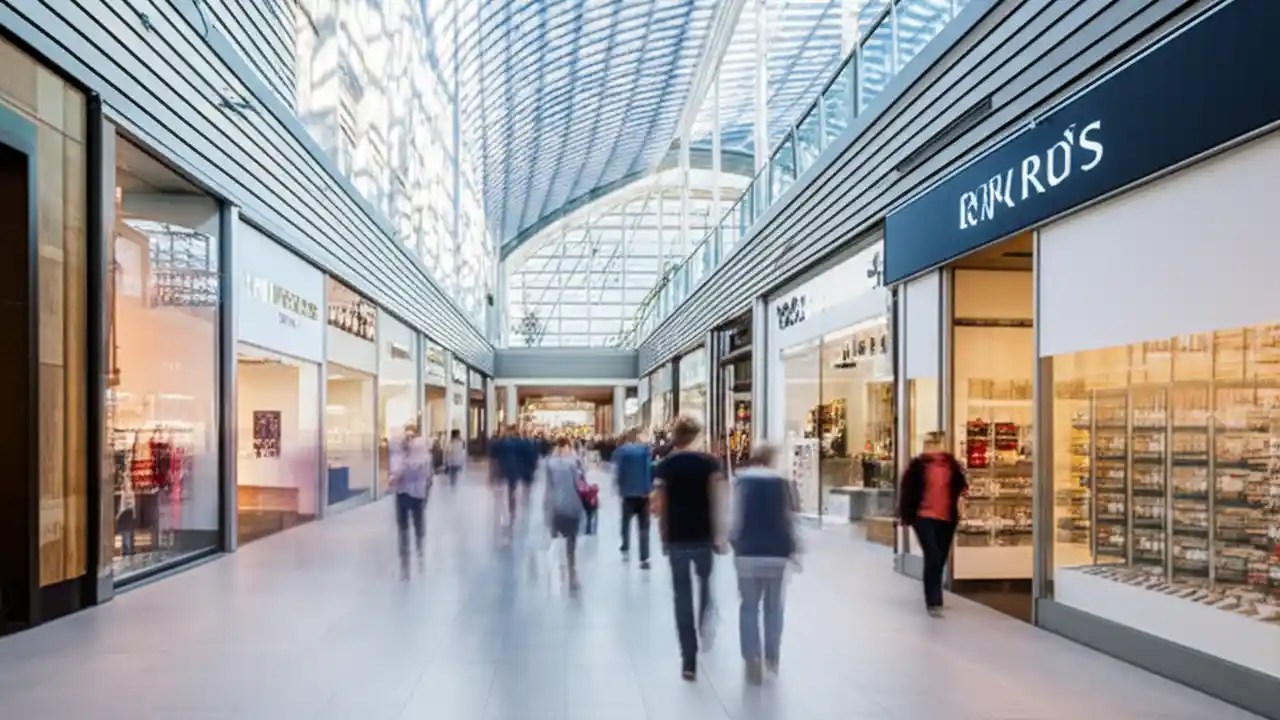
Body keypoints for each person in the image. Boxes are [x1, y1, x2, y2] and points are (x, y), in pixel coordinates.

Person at [653, 415, 726, 681]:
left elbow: (660, 504)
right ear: (696, 436)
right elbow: (716, 498)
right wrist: (719, 534)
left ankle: (688, 658)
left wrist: (663, 535)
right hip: (703, 536)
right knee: (706, 582)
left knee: (681, 597)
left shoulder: (665, 466)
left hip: (677, 538)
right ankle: (706, 619)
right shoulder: (709, 463)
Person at [730, 444, 797, 684]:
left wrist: (734, 542)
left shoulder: (741, 482)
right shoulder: (782, 482)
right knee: (773, 607)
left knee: (748, 606)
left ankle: (751, 658)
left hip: (748, 553)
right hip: (776, 554)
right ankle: (772, 657)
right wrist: (794, 548)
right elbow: (790, 519)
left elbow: (734, 517)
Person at [898, 431, 967, 617]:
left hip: (946, 517)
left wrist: (961, 504)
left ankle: (934, 592)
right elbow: (907, 491)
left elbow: (961, 487)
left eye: (935, 443)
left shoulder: (952, 466)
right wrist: (904, 515)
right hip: (923, 515)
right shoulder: (917, 466)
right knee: (933, 555)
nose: (932, 447)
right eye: (929, 443)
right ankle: (933, 600)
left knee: (941, 557)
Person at [388, 422, 430, 580]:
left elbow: (420, 469)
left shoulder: (421, 452)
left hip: (417, 494)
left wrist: (400, 473)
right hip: (402, 493)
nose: (408, 439)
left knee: (418, 524)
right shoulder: (399, 453)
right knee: (403, 526)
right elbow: (395, 470)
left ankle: (419, 549)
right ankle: (405, 556)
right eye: (406, 435)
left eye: (411, 436)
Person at [544, 437, 587, 592]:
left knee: (557, 538)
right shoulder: (574, 462)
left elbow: (548, 487)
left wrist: (546, 508)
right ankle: (571, 569)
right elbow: (580, 483)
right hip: (572, 504)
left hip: (556, 505)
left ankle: (559, 567)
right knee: (571, 539)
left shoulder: (550, 463)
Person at [614, 428, 654, 569]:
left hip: (627, 493)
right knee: (644, 526)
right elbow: (648, 470)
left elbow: (618, 471)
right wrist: (648, 489)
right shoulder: (645, 451)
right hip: (643, 493)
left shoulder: (621, 451)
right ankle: (644, 557)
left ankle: (625, 544)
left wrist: (619, 487)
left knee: (625, 521)